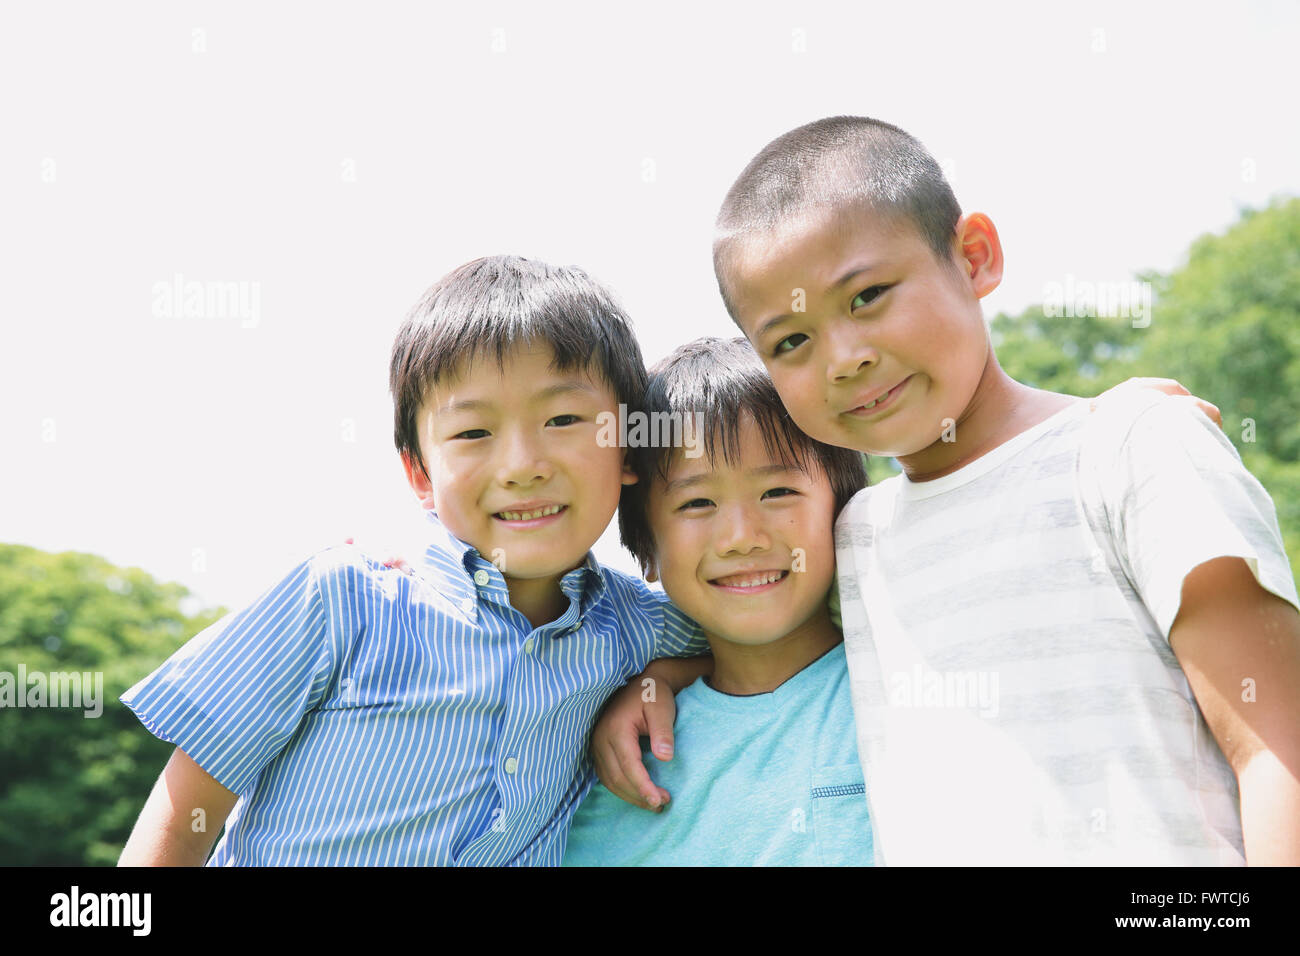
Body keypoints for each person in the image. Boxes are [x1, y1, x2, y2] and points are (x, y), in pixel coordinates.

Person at [601, 116, 1300, 865]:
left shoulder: (1128, 450)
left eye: (868, 295)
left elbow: (1277, 749)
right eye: (792, 342)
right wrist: (654, 680)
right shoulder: (857, 535)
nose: (844, 359)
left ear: (975, 257)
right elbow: (748, 621)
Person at [116, 255, 708, 866]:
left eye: (563, 419)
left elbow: (750, 645)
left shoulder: (644, 626)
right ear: (420, 473)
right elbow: (180, 823)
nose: (523, 464)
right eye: (474, 433)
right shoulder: (342, 598)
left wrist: (656, 680)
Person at [562, 337, 871, 865]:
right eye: (697, 502)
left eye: (777, 493)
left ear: (843, 510)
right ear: (647, 551)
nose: (740, 537)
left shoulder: (899, 682)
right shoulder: (624, 763)